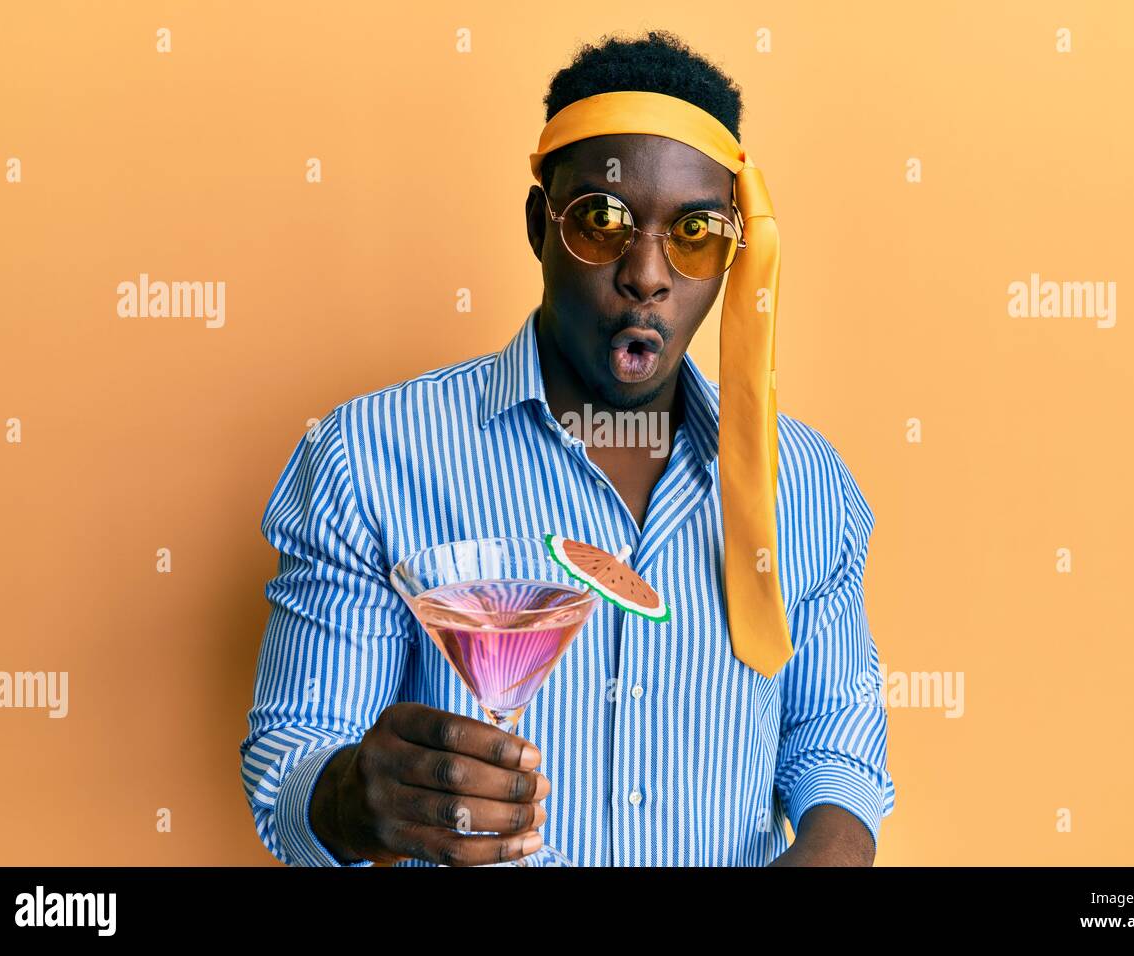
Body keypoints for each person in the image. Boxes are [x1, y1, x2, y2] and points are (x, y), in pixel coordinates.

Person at [240, 29, 895, 867]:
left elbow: (835, 743)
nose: (648, 274)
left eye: (694, 232)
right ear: (536, 225)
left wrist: (835, 847)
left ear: (732, 251)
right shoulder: (367, 458)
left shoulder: (804, 482)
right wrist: (350, 799)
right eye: (602, 220)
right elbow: (290, 767)